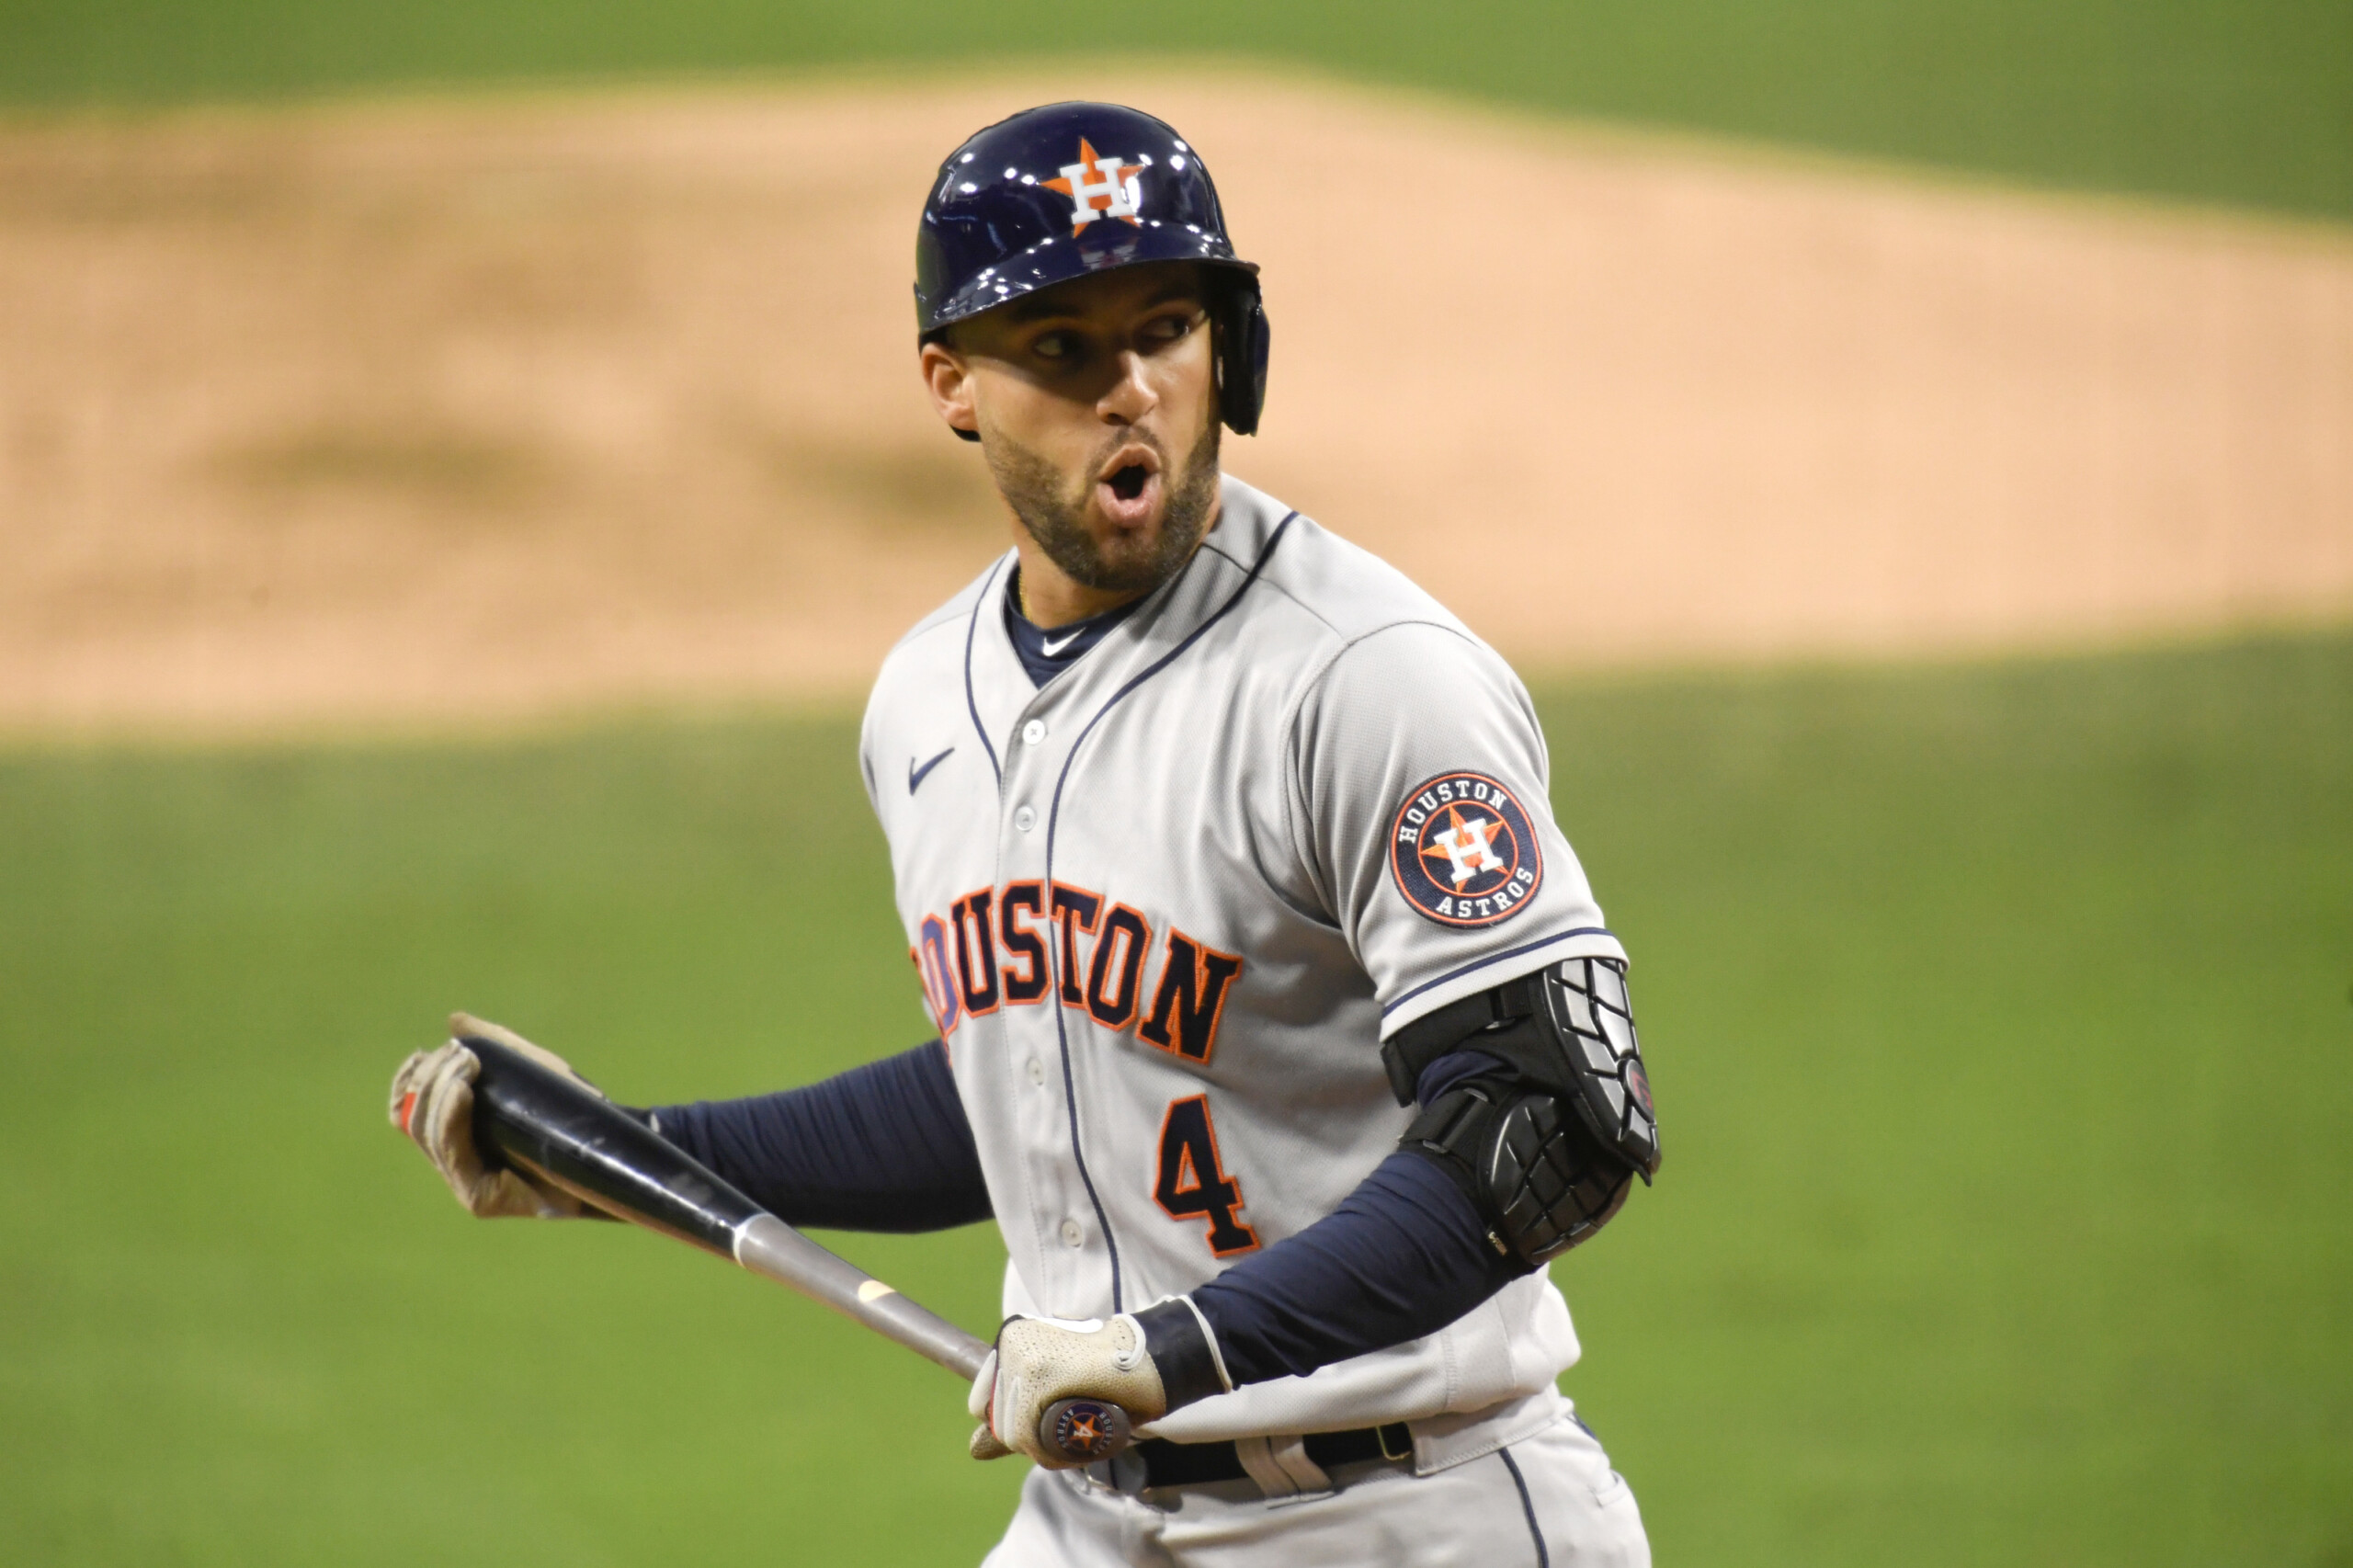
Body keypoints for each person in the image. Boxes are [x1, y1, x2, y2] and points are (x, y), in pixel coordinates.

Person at [390, 100, 1661, 1565]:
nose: (1129, 388)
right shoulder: (925, 698)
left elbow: (1552, 1122)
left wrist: (1172, 1349)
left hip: (1411, 1513)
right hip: (1088, 1519)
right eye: (1062, 347)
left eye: (1166, 328)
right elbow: (1030, 1083)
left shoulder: (1363, 677)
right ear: (952, 382)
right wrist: (624, 1151)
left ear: (1226, 352)